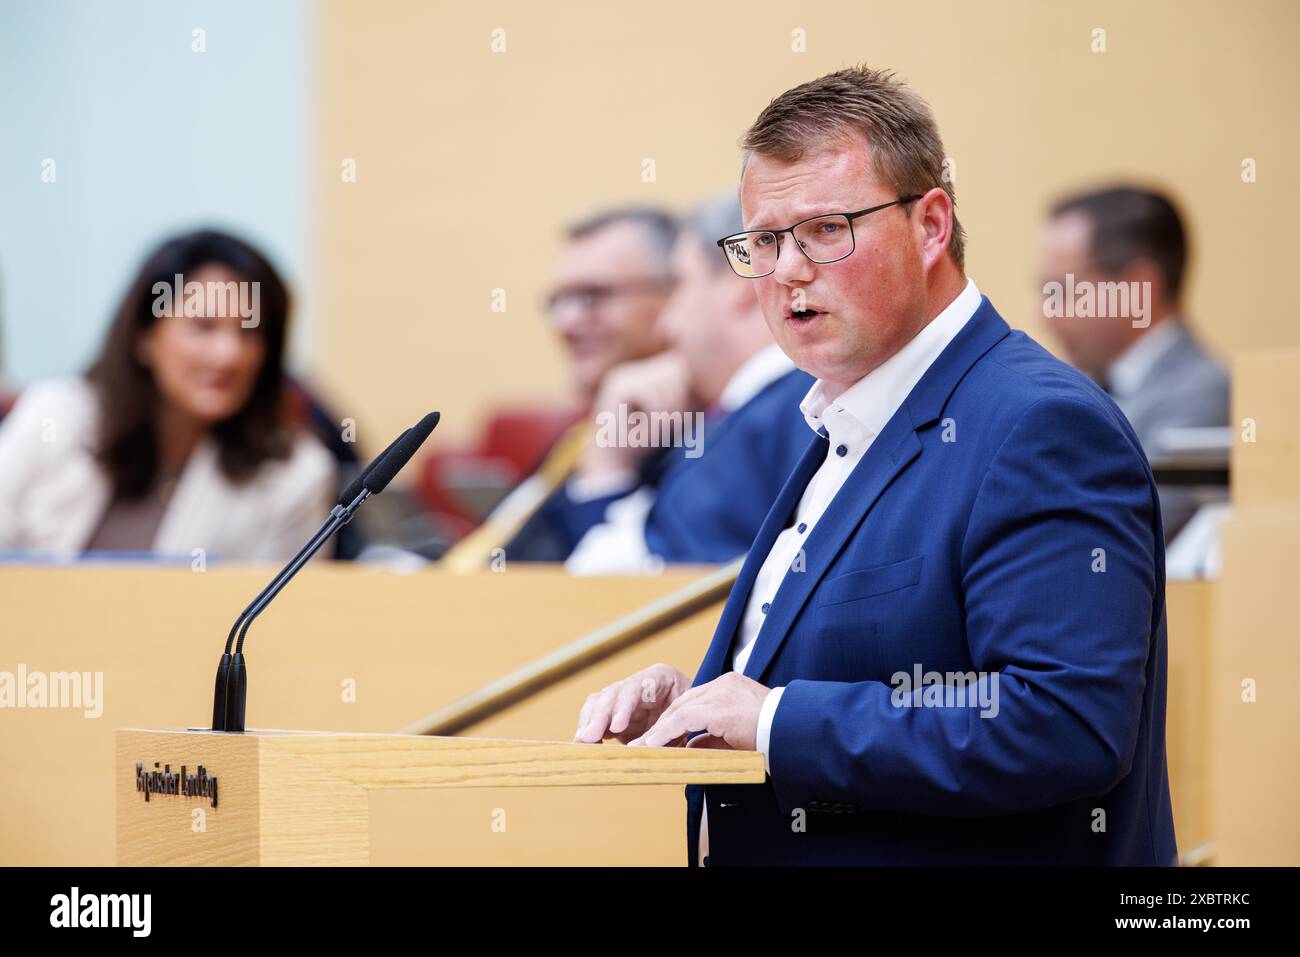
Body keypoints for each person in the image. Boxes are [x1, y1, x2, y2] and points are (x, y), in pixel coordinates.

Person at [573, 66, 1176, 866]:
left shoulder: (1038, 423)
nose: (786, 269)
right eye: (764, 241)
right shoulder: (847, 415)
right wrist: (704, 700)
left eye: (825, 229)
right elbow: (868, 667)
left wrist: (776, 718)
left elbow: (1063, 720)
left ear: (931, 226)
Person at [0, 230, 336, 560]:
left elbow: (280, 613)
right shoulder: (55, 415)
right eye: (204, 326)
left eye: (251, 331)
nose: (230, 354)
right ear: (145, 336)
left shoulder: (296, 476)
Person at [564, 193, 814, 572]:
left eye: (680, 285)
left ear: (740, 281)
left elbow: (619, 591)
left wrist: (605, 466)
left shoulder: (786, 411)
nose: (668, 324)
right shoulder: (760, 413)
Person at [444, 208, 679, 566]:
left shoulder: (701, 441)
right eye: (559, 300)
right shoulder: (578, 437)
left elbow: (615, 599)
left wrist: (607, 474)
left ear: (675, 294)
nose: (565, 322)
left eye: (593, 296)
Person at [1039, 186, 1229, 541]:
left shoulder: (1203, 394)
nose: (1046, 316)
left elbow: (1112, 531)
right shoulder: (1081, 386)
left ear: (1138, 287)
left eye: (1062, 292)